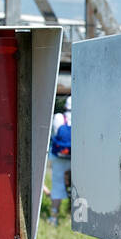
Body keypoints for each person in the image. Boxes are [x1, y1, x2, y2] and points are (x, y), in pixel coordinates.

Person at [47, 95, 71, 226]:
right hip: (75, 159)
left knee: (57, 186)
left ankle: (53, 218)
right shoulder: (83, 117)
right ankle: (79, 218)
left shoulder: (59, 117)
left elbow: (54, 135)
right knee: (78, 187)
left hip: (59, 157)